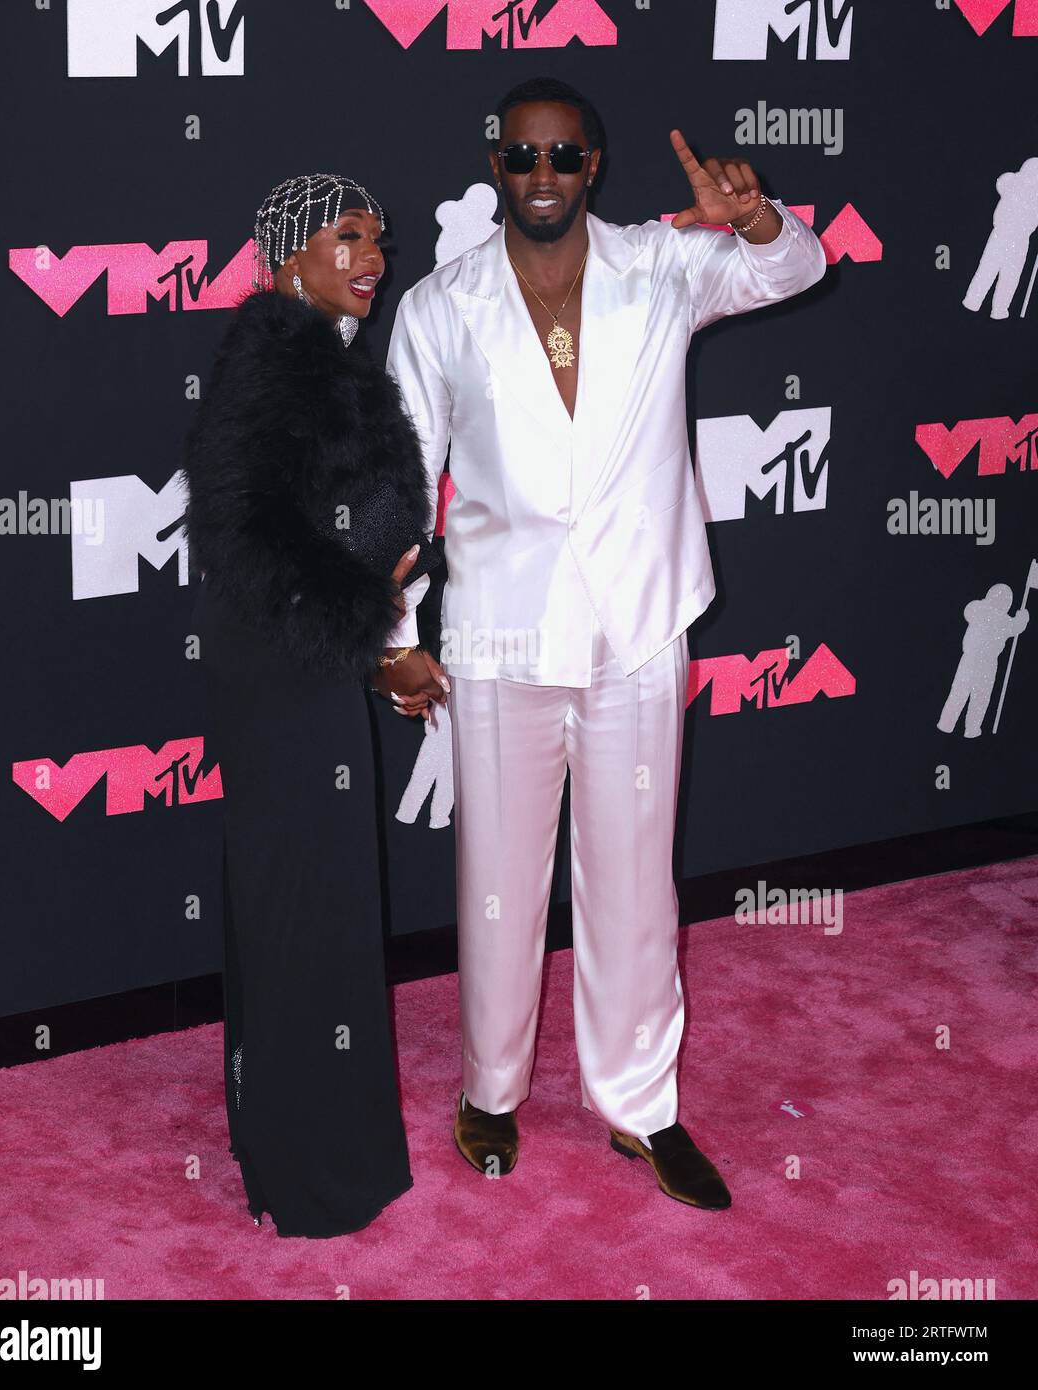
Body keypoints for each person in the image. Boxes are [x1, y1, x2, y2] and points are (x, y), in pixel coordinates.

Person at [386, 78, 827, 1210]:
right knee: (497, 880)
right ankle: (489, 1089)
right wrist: (393, 630)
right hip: (496, 629)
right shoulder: (439, 307)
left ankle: (640, 1104)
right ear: (495, 166)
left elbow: (793, 270)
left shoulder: (661, 265)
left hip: (636, 620)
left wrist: (758, 218)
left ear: (595, 165)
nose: (542, 177)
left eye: (563, 156)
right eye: (522, 158)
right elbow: (396, 487)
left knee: (634, 880)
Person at [181, 173, 446, 1238]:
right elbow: (241, 529)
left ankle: (284, 1143)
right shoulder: (274, 358)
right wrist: (366, 603)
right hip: (287, 675)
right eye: (345, 238)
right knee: (311, 910)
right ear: (287, 254)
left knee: (299, 907)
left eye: (377, 238)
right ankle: (313, 1173)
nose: (371, 256)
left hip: (303, 665)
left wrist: (373, 628)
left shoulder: (313, 354)